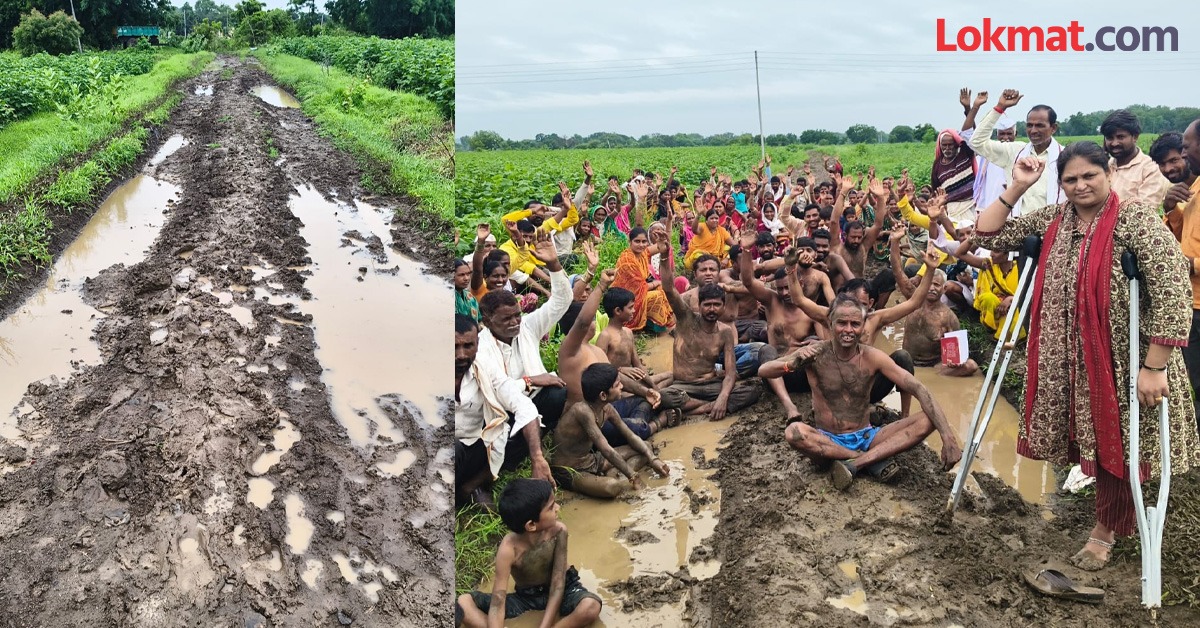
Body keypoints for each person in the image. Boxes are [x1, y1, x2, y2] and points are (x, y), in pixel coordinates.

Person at [974, 140, 1199, 571]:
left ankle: (1105, 532)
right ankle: (1106, 512)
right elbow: (987, 233)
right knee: (1091, 435)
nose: (1080, 186)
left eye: (1089, 176)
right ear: (1060, 184)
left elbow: (1172, 293)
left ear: (1109, 174)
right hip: (1069, 357)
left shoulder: (1136, 222)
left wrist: (1154, 366)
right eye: (1070, 179)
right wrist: (1018, 186)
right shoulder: (1055, 219)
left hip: (1124, 357)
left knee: (1121, 436)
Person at [762, 294, 962, 490]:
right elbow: (765, 370)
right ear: (830, 323)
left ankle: (854, 463)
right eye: (842, 323)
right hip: (827, 438)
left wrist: (948, 437)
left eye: (855, 324)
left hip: (867, 436)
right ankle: (864, 459)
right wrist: (792, 364)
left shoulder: (873, 357)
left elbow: (918, 387)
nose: (848, 330)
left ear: (863, 325)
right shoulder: (815, 353)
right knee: (794, 432)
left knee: (929, 419)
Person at [456, 479, 603, 628]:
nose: (558, 508)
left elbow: (558, 583)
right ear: (531, 525)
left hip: (564, 589)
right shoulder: (509, 549)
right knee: (463, 603)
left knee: (591, 606)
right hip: (527, 598)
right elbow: (498, 601)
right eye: (551, 507)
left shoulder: (559, 531)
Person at [477, 230, 573, 436]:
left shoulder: (527, 327)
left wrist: (554, 265)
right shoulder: (481, 345)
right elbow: (499, 389)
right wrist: (533, 380)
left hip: (535, 398)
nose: (514, 323)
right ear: (487, 321)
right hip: (503, 411)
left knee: (558, 392)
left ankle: (546, 433)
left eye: (517, 316)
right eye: (506, 319)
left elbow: (561, 302)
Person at [455, 315, 551, 511]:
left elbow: (522, 405)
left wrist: (537, 458)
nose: (461, 355)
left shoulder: (483, 366)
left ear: (477, 343)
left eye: (468, 346)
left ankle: (472, 485)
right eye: (454, 347)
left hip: (474, 445)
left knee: (514, 430)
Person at [657, 242, 762, 419]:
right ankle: (705, 408)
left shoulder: (725, 332)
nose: (712, 309)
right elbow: (668, 288)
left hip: (712, 384)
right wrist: (665, 256)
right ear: (700, 305)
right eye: (707, 305)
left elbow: (730, 373)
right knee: (663, 397)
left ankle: (694, 409)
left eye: (716, 305)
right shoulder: (686, 318)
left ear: (722, 307)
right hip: (684, 385)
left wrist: (722, 396)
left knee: (753, 391)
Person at [551, 363, 670, 498]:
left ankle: (614, 474)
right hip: (571, 470)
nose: (622, 387)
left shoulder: (607, 408)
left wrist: (653, 459)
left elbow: (630, 435)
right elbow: (606, 449)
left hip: (592, 460)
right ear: (603, 395)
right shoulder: (582, 411)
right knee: (612, 487)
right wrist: (633, 476)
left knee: (646, 447)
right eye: (617, 384)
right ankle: (615, 476)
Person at [968, 89, 1065, 216]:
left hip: (1052, 229)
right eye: (1029, 125)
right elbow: (976, 142)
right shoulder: (1015, 151)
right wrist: (1000, 108)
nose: (1033, 130)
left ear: (1053, 128)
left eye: (1039, 125)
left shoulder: (1065, 156)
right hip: (1016, 229)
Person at [1161, 121, 1200, 432]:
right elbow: (1178, 237)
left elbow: (1188, 256)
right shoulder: (1195, 188)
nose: (1184, 156)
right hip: (1192, 300)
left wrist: (1192, 265)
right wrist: (1171, 208)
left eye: (1186, 148)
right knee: (1192, 376)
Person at [960, 87, 1017, 212]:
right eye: (1002, 134)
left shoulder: (1021, 154)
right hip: (988, 210)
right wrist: (972, 107)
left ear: (1015, 135)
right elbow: (968, 135)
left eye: (1009, 134)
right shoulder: (987, 153)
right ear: (997, 135)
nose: (1005, 138)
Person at [1101, 109, 1170, 209]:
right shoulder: (1105, 166)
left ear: (1135, 137)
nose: (1114, 143)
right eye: (1110, 138)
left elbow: (1144, 211)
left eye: (1120, 137)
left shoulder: (1151, 168)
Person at [611, 227, 676, 333]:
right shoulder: (627, 260)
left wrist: (663, 240)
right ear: (630, 241)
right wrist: (656, 282)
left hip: (640, 292)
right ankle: (651, 327)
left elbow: (660, 246)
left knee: (661, 289)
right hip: (625, 298)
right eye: (637, 241)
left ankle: (661, 324)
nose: (641, 245)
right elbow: (639, 287)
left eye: (644, 241)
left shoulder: (642, 253)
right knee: (658, 294)